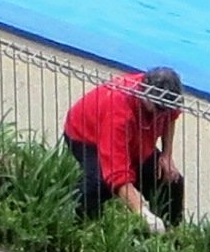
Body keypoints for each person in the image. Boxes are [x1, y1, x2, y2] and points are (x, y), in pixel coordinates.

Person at [64, 64, 188, 230]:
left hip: (138, 139)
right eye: (158, 109)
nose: (161, 114)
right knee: (100, 184)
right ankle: (79, 226)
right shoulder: (119, 112)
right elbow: (118, 173)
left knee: (172, 181)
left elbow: (171, 116)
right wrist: (141, 212)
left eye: (166, 109)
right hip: (87, 136)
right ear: (145, 95)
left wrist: (167, 154)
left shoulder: (163, 103)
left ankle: (171, 232)